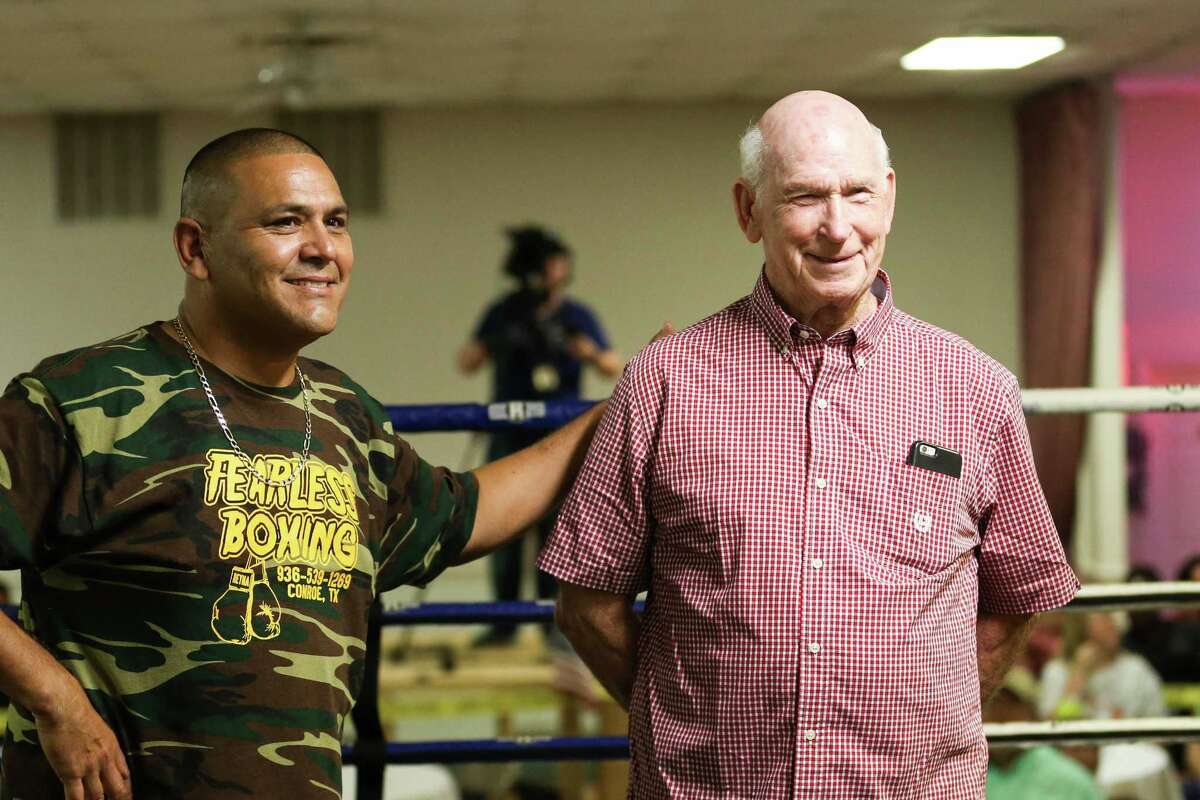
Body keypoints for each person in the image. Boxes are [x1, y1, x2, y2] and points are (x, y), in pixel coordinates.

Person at [0, 129, 612, 800]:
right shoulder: (83, 399)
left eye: (336, 222)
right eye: (286, 221)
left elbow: (468, 514)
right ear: (196, 248)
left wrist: (628, 403)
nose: (322, 248)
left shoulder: (346, 415)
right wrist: (54, 699)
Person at [540, 90, 1080, 797]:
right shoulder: (664, 382)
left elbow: (1017, 594)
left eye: (856, 194)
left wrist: (923, 723)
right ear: (748, 211)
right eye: (804, 197)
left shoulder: (975, 389)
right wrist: (682, 721)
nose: (837, 227)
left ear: (887, 198)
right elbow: (589, 602)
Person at [457, 226, 618, 645]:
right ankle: (503, 623)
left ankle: (554, 622)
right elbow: (467, 361)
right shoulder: (505, 312)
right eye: (552, 264)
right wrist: (497, 340)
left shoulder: (575, 316)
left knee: (557, 526)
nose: (561, 272)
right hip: (509, 432)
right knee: (502, 525)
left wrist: (587, 352)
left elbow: (612, 365)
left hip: (560, 435)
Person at [985, 667, 1104, 800]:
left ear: (1032, 714)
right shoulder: (963, 773)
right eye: (992, 703)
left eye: (1012, 705)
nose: (1001, 714)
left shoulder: (1072, 782)